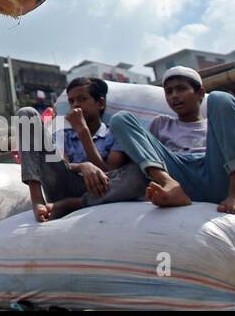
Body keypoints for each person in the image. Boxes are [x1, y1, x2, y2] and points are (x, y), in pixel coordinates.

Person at [109, 66, 235, 218]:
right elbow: (143, 156)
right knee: (120, 119)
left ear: (200, 93)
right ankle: (169, 184)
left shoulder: (219, 123)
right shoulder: (161, 123)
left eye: (181, 89)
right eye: (169, 92)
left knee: (220, 98)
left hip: (218, 177)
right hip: (178, 180)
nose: (175, 96)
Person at [19, 77, 146, 222]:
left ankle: (76, 204)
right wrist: (82, 166)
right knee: (26, 113)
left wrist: (83, 132)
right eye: (71, 101)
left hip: (103, 190)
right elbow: (61, 165)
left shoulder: (116, 133)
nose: (76, 105)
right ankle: (37, 197)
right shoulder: (62, 134)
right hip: (64, 188)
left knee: (140, 172)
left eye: (82, 99)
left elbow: (109, 172)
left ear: (100, 103)